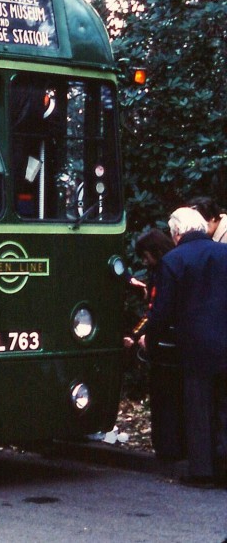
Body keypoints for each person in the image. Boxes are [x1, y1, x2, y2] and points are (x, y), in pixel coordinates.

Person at [142, 207, 227, 487]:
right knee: (223, 406)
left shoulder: (174, 260)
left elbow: (162, 312)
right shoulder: (224, 253)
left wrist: (150, 341)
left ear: (176, 233)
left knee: (198, 407)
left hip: (195, 344)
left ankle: (202, 471)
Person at [125, 229, 183, 462]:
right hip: (178, 340)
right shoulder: (175, 264)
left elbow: (155, 311)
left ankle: (168, 448)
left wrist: (138, 334)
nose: (144, 261)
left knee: (164, 397)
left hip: (164, 343)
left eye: (146, 256)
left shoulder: (163, 270)